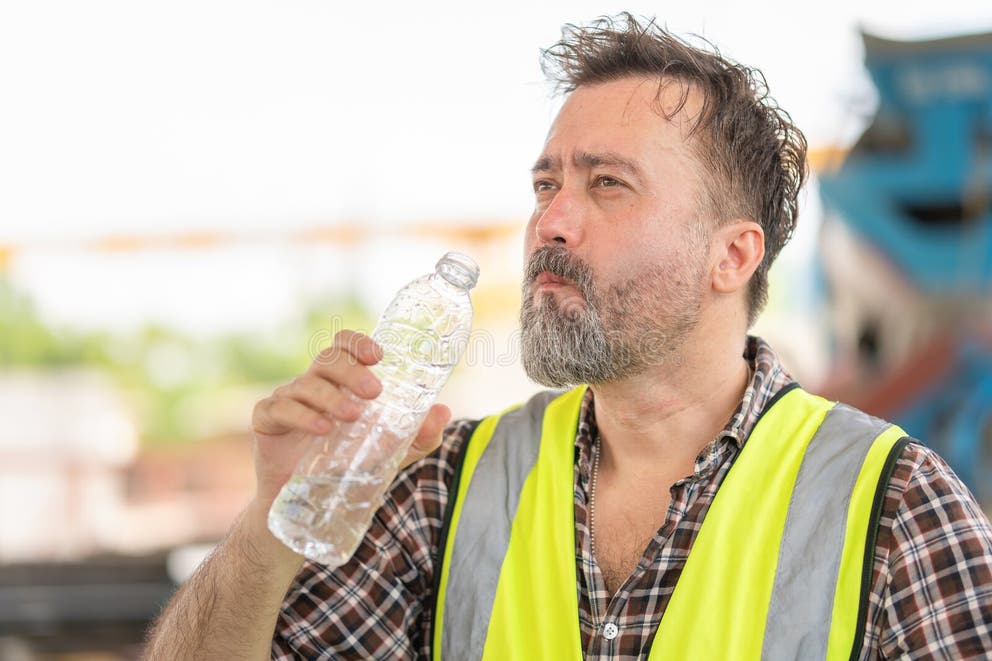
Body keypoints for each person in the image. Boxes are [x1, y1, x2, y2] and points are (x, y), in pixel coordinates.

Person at [144, 14, 992, 660]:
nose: (551, 220)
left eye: (608, 185)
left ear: (731, 255)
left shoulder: (897, 507)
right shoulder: (449, 490)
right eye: (546, 184)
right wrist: (270, 524)